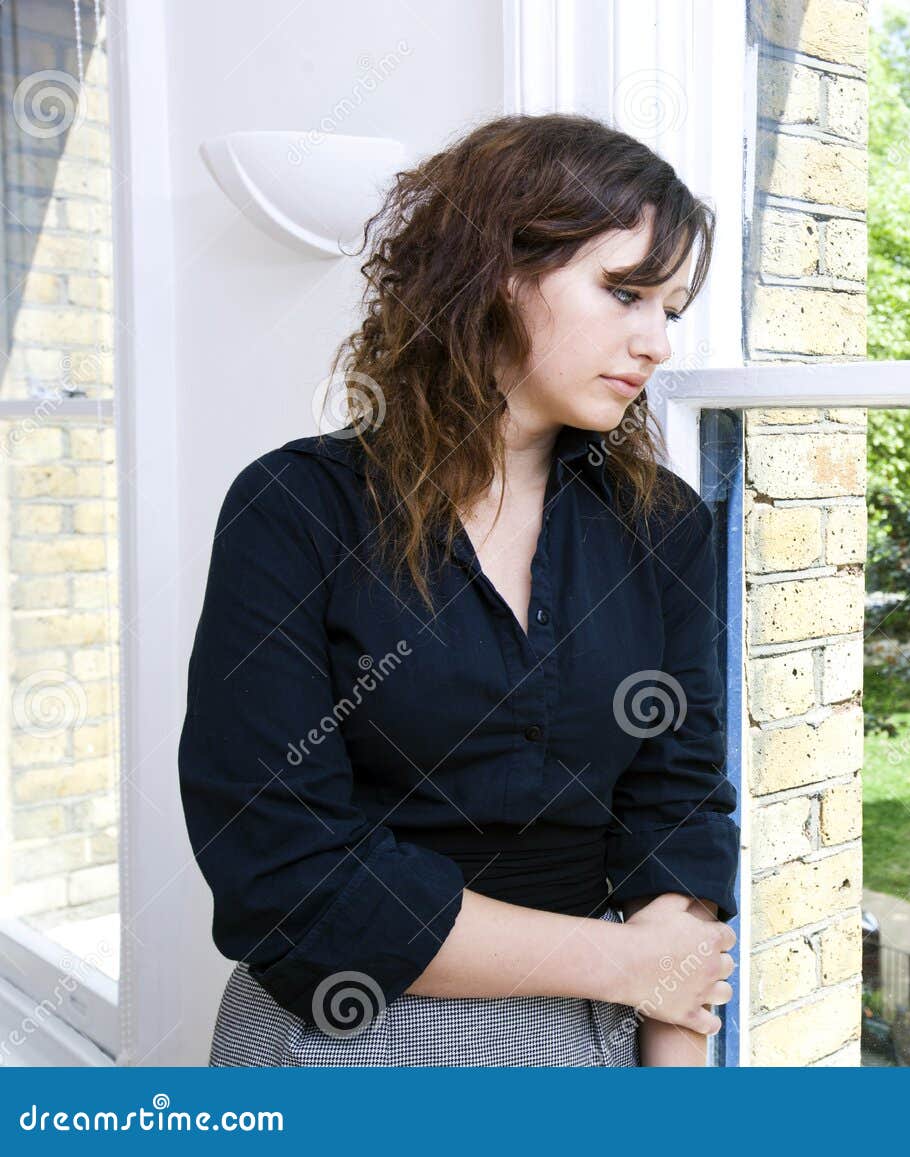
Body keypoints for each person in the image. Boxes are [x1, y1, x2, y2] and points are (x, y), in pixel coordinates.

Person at [177, 112, 739, 1067]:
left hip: (593, 1040)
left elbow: (677, 810)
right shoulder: (295, 508)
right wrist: (619, 961)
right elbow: (281, 863)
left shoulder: (663, 525)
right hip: (341, 1039)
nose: (657, 344)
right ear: (493, 272)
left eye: (671, 309)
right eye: (624, 292)